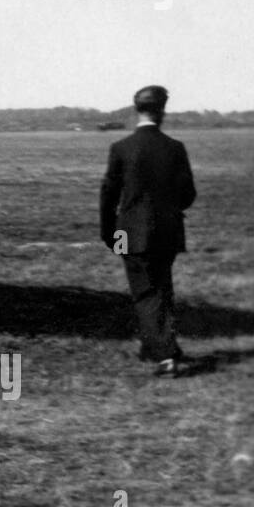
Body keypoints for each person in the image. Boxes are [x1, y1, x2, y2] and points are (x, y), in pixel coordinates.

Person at [99, 86, 198, 377]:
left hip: (130, 233)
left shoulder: (121, 148)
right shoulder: (175, 148)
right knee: (161, 289)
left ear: (135, 110)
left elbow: (108, 195)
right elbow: (188, 194)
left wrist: (109, 233)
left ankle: (165, 355)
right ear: (162, 111)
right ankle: (154, 345)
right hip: (168, 231)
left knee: (145, 293)